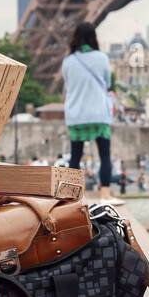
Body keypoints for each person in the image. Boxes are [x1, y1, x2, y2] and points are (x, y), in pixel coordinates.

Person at [62, 21, 114, 196]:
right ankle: (105, 194)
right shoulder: (102, 58)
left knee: (75, 156)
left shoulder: (68, 61)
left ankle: (72, 194)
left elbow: (69, 85)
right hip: (99, 113)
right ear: (94, 37)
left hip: (76, 115)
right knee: (104, 155)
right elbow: (108, 84)